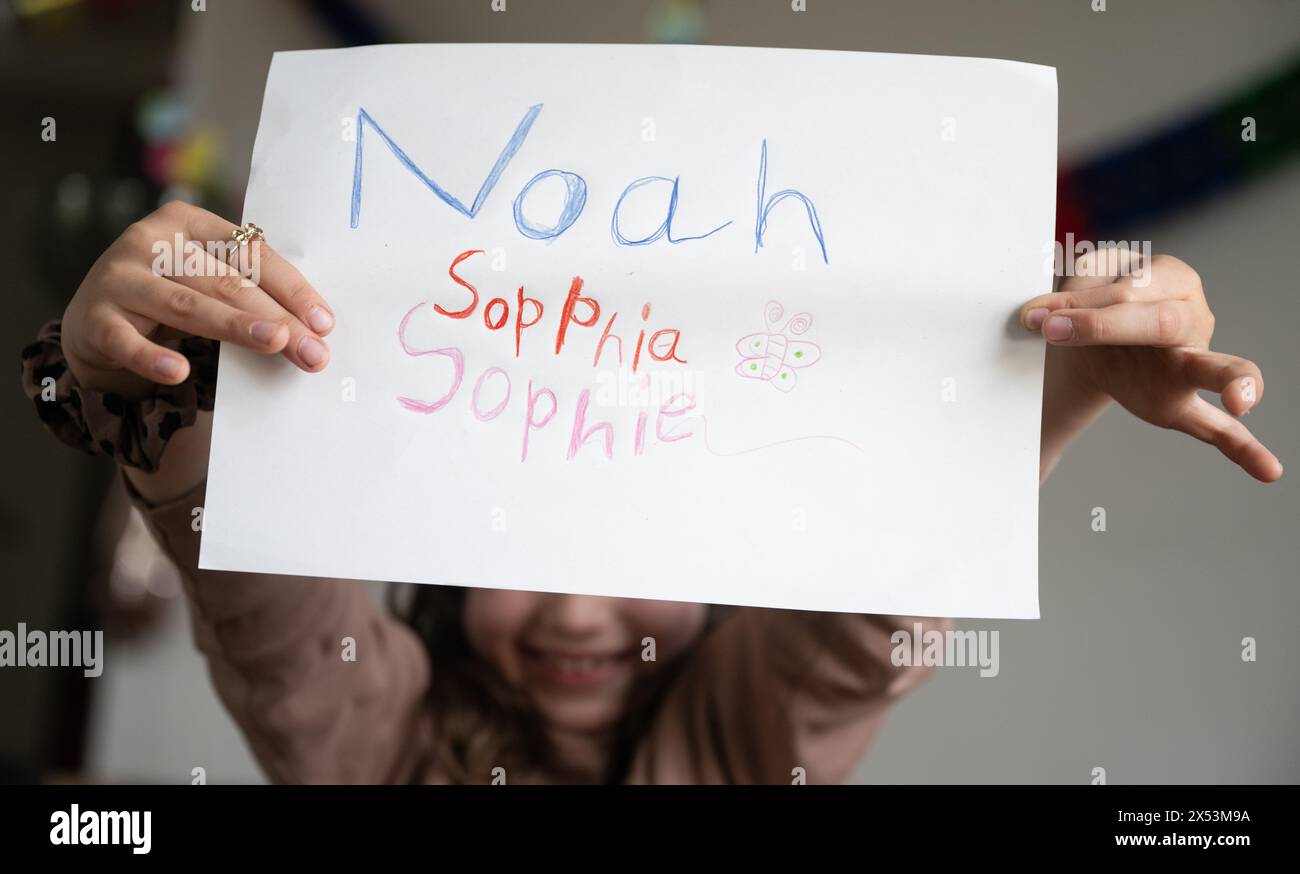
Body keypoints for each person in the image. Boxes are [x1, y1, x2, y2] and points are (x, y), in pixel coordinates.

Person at [20, 197, 1280, 784]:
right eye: (530, 548)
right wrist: (151, 385)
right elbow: (275, 631)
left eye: (630, 547)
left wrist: (1058, 388)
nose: (577, 615)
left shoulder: (746, 745)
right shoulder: (377, 746)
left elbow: (857, 632)